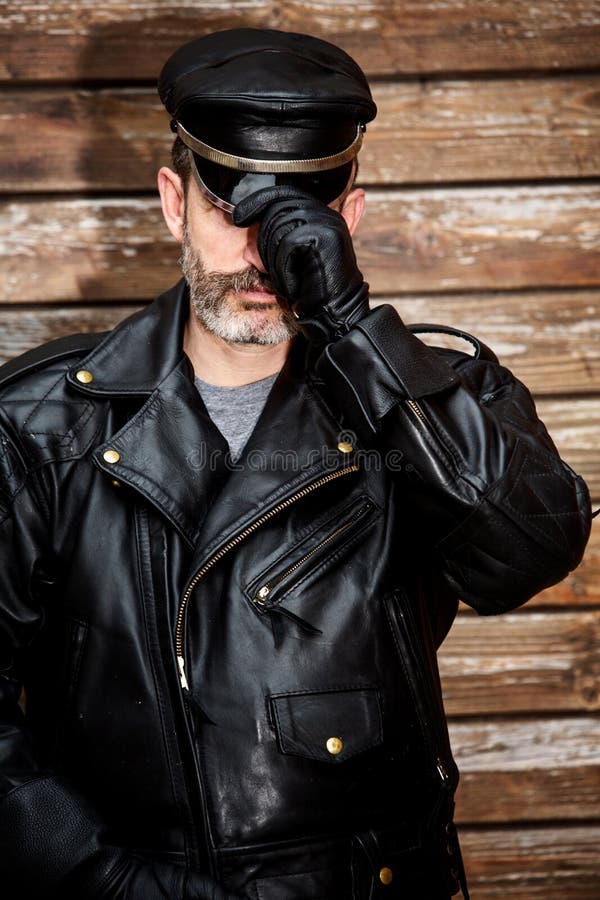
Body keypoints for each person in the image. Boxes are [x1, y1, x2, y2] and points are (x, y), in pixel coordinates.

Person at [0, 27, 591, 900]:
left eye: (301, 221)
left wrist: (350, 322)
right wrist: (112, 883)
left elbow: (528, 553)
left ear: (347, 219)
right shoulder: (39, 421)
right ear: (174, 202)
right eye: (236, 209)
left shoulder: (434, 398)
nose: (264, 255)